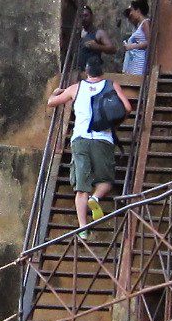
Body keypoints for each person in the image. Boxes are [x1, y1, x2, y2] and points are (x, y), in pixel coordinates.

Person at [48, 54, 131, 233]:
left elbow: (52, 103)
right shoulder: (111, 85)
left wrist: (55, 93)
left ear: (86, 71)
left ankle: (83, 227)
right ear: (102, 70)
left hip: (80, 139)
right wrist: (115, 123)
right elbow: (128, 108)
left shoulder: (75, 88)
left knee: (81, 187)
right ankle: (96, 198)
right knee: (106, 181)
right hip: (103, 139)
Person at [77, 6, 115, 72]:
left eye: (86, 16)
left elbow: (113, 49)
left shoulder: (99, 33)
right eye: (81, 16)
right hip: (79, 72)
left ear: (92, 17)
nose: (83, 18)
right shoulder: (77, 33)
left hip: (93, 72)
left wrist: (97, 47)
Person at [122, 0, 151, 76]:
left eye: (132, 10)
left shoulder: (145, 23)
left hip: (140, 62)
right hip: (135, 61)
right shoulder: (139, 25)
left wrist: (132, 46)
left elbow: (150, 42)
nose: (131, 13)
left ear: (138, 10)